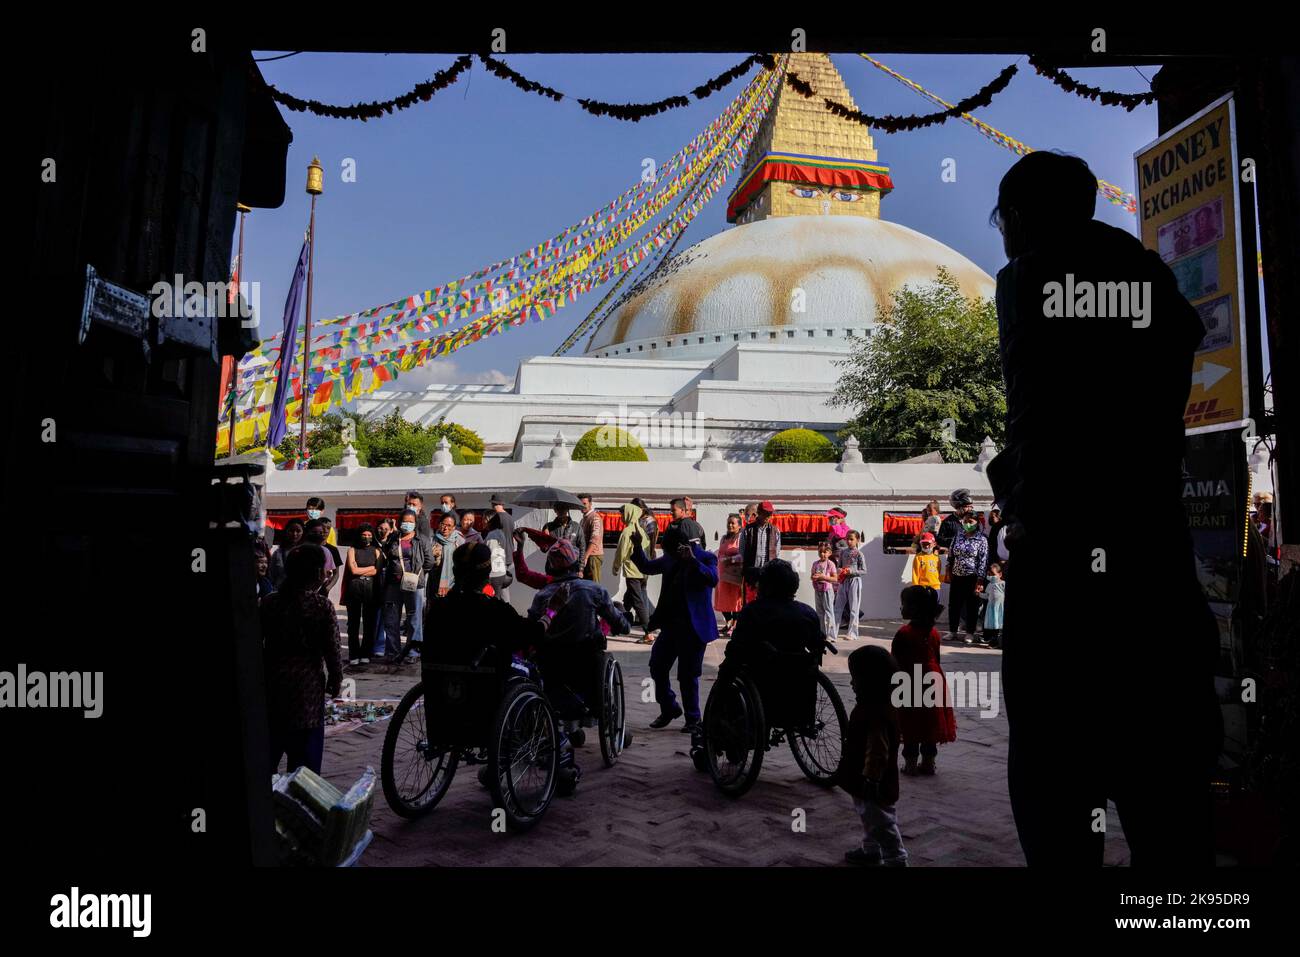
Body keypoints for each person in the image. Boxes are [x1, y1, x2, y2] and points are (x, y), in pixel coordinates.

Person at [989, 150, 1219, 865]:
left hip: (1061, 573)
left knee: (1057, 800)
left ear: (1020, 218)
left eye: (1004, 219)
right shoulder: (1150, 279)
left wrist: (1016, 491)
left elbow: (1045, 427)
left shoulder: (1023, 279)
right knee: (1171, 812)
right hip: (1154, 556)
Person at [260, 544, 344, 775]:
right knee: (304, 766)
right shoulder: (321, 606)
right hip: (306, 689)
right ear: (317, 573)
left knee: (268, 754)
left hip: (272, 682)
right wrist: (336, 679)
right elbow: (333, 649)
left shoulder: (270, 602)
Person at [629, 524, 718, 734]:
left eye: (668, 551)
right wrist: (637, 546)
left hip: (694, 628)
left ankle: (693, 719)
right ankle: (669, 707)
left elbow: (712, 579)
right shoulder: (670, 558)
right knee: (657, 667)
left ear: (680, 547)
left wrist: (693, 562)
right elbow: (647, 567)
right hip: (671, 626)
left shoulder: (705, 557)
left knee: (688, 676)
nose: (666, 555)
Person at [526, 539, 630, 713]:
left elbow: (532, 629)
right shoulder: (595, 590)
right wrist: (624, 625)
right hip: (586, 657)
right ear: (575, 565)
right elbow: (618, 622)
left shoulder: (542, 595)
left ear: (550, 568)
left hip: (552, 661)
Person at [838, 645, 907, 867]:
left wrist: (871, 777)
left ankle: (896, 858)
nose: (852, 683)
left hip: (873, 781)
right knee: (870, 818)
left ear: (870, 681)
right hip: (866, 779)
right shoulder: (876, 707)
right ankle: (871, 850)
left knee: (882, 822)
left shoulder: (876, 714)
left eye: (855, 678)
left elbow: (878, 751)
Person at [891, 585, 957, 776]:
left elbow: (896, 661)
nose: (901, 608)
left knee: (910, 723)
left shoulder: (904, 633)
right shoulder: (934, 633)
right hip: (933, 680)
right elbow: (936, 658)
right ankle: (929, 763)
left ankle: (910, 764)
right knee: (930, 724)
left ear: (913, 608)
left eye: (903, 604)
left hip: (909, 681)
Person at [723, 559, 824, 671]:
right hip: (801, 676)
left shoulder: (752, 611)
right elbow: (817, 646)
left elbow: (736, 649)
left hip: (763, 674)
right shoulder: (808, 613)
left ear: (764, 585)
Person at [382, 508, 430, 664]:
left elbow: (429, 561)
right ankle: (392, 652)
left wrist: (415, 575)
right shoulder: (394, 538)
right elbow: (386, 556)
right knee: (391, 619)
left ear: (415, 523)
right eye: (405, 521)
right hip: (393, 584)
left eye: (411, 521)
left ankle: (413, 652)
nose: (407, 524)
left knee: (414, 618)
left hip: (414, 584)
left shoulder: (421, 540)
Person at [341, 523, 383, 665]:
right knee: (353, 623)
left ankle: (366, 653)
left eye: (369, 535)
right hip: (354, 588)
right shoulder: (352, 550)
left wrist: (363, 569)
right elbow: (353, 570)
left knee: (369, 623)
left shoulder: (376, 550)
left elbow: (376, 571)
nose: (366, 537)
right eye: (364, 535)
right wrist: (371, 567)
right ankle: (354, 654)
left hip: (371, 589)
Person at [612, 501, 655, 636]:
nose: (621, 517)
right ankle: (620, 623)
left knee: (638, 602)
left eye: (623, 514)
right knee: (630, 599)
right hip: (643, 572)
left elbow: (621, 552)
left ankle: (649, 632)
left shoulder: (627, 532)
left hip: (633, 573)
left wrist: (616, 566)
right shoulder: (641, 530)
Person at [945, 515, 989, 644]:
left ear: (977, 522)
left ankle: (969, 633)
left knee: (972, 606)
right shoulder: (958, 536)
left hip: (973, 577)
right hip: (956, 576)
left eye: (970, 521)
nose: (967, 524)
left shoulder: (981, 539)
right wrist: (948, 570)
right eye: (965, 521)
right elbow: (951, 554)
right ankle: (952, 631)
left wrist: (980, 579)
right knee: (954, 605)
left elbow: (983, 560)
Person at [737, 500, 780, 604]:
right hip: (752, 571)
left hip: (768, 572)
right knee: (750, 602)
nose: (768, 516)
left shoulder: (775, 531)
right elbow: (741, 551)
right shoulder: (747, 530)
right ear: (759, 512)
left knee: (767, 602)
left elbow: (777, 552)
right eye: (766, 513)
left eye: (770, 513)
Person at [714, 513, 744, 637]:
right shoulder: (723, 538)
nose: (730, 525)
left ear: (739, 525)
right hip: (722, 573)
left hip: (734, 575)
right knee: (722, 600)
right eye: (729, 523)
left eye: (733, 523)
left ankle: (735, 625)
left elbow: (742, 555)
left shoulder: (741, 538)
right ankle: (728, 623)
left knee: (735, 601)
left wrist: (730, 560)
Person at [834, 529, 867, 640]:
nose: (849, 541)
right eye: (847, 539)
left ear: (857, 540)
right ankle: (832, 632)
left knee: (854, 608)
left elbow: (864, 570)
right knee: (838, 607)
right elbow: (838, 566)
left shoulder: (859, 554)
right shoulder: (843, 552)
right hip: (843, 581)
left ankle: (852, 633)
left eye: (851, 539)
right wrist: (840, 571)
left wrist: (851, 571)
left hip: (854, 581)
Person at [427, 511, 463, 601]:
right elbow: (426, 561)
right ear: (439, 525)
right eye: (443, 524)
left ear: (454, 527)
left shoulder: (459, 541)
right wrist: (432, 556)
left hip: (453, 583)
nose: (445, 528)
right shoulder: (432, 540)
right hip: (435, 582)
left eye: (449, 525)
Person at [484, 501, 516, 600]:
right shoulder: (499, 532)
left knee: (496, 597)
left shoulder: (492, 535)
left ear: (489, 520)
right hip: (500, 569)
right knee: (502, 594)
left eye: (484, 519)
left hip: (495, 572)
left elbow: (493, 555)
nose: (482, 522)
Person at [303, 519, 340, 598]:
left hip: (321, 591)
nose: (326, 531)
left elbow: (335, 573)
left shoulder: (331, 550)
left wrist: (327, 588)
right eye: (323, 528)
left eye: (328, 528)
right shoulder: (300, 549)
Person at [810, 541, 839, 642]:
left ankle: (832, 635)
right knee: (820, 612)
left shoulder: (830, 564)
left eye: (825, 552)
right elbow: (812, 575)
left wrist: (824, 577)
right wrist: (814, 577)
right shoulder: (815, 564)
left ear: (829, 553)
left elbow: (835, 579)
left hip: (827, 590)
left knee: (829, 611)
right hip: (818, 590)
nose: (822, 554)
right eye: (820, 552)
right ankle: (822, 633)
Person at [268, 519, 304, 588]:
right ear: (286, 532)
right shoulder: (278, 553)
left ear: (303, 532)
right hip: (280, 592)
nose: (294, 534)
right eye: (291, 531)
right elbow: (271, 575)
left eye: (298, 531)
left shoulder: (307, 552)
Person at [935, 489, 974, 553]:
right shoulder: (947, 522)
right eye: (967, 506)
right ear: (958, 507)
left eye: (971, 506)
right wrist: (956, 541)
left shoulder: (972, 521)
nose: (969, 509)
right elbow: (940, 540)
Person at [578, 493, 604, 582]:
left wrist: (586, 556)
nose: (582, 506)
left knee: (594, 586)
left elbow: (595, 538)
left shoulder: (595, 517)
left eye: (584, 504)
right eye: (580, 504)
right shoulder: (583, 519)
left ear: (590, 504)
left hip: (593, 555)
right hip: (586, 555)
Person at [983, 561, 1006, 648]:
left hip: (1000, 608)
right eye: (989, 574)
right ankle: (993, 641)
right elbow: (986, 596)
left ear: (1000, 574)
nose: (991, 576)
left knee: (999, 624)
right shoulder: (989, 585)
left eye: (993, 574)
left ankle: (997, 641)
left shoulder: (1003, 584)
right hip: (991, 609)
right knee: (993, 625)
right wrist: (979, 594)